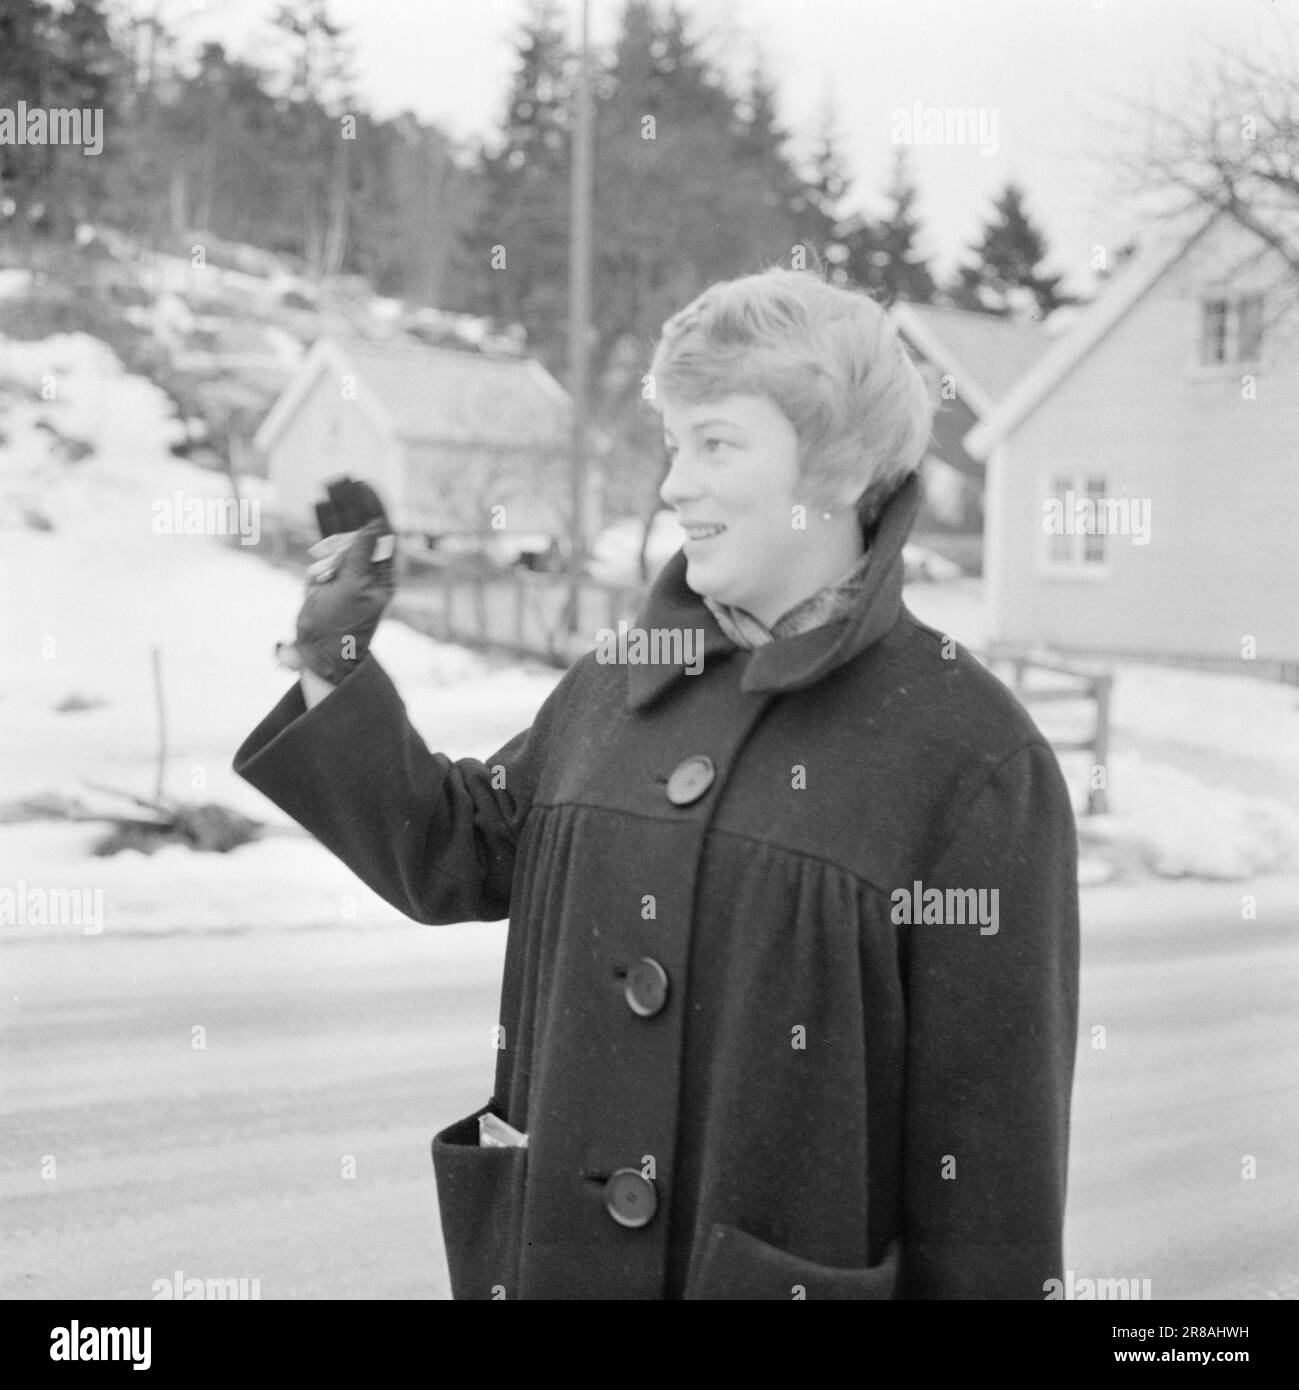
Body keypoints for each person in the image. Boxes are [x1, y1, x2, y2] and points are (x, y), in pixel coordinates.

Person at [234, 267, 1080, 1301]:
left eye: (717, 442)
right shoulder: (610, 688)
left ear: (839, 464)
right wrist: (335, 666)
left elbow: (991, 1189)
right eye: (675, 442)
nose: (675, 483)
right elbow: (450, 849)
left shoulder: (972, 761)